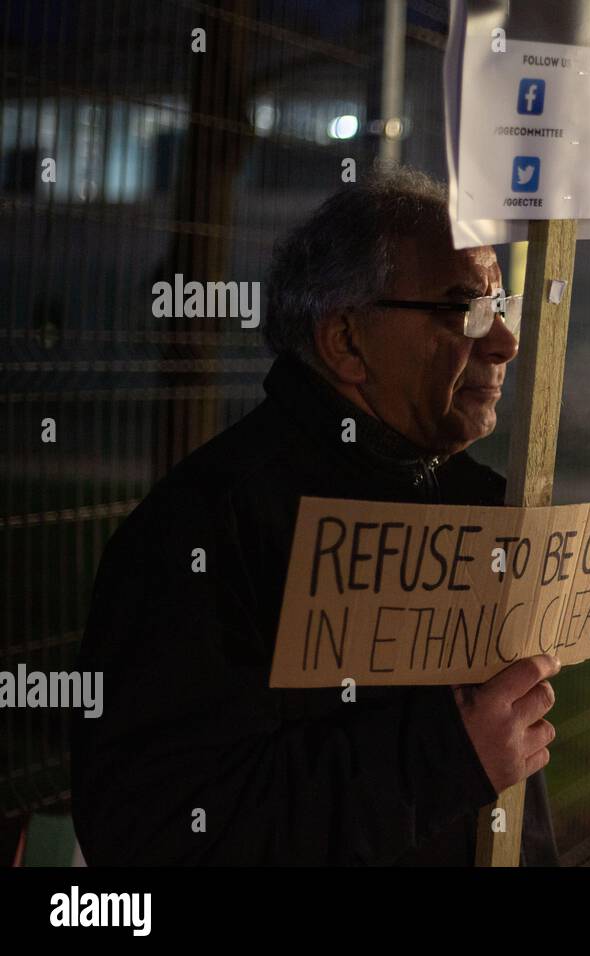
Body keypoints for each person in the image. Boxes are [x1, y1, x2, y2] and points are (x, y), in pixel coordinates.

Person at [72, 167, 561, 866]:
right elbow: (161, 832)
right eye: (464, 311)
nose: (505, 342)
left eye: (499, 304)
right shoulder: (207, 531)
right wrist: (440, 761)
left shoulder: (481, 507)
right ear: (346, 341)